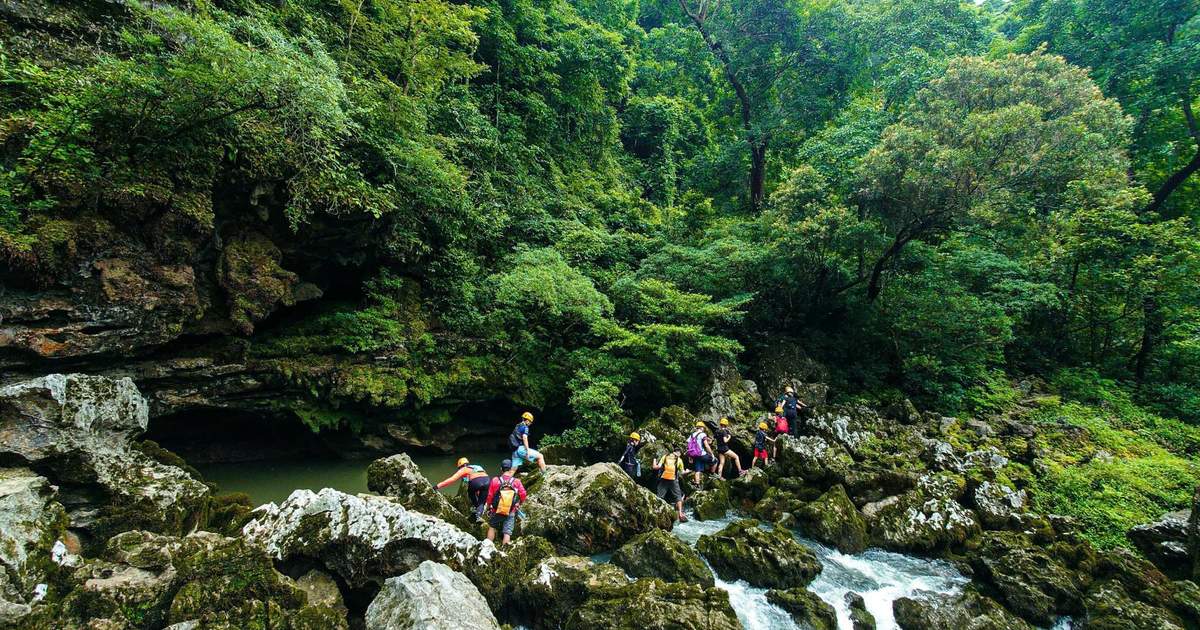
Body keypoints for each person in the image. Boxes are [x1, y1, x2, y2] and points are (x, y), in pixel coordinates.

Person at [485, 459, 528, 546]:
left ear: (501, 469)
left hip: (496, 510)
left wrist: (488, 506)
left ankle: (487, 548)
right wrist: (519, 503)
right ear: (511, 469)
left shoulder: (495, 480)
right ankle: (504, 552)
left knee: (492, 527)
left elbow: (490, 496)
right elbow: (523, 494)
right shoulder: (516, 481)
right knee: (507, 532)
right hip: (510, 510)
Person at [653, 448, 688, 522]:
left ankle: (657, 512)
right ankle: (680, 514)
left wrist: (654, 459)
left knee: (660, 496)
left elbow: (656, 467)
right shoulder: (679, 460)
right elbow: (682, 472)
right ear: (679, 453)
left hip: (664, 479)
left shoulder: (665, 456)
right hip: (673, 480)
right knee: (678, 496)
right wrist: (687, 471)